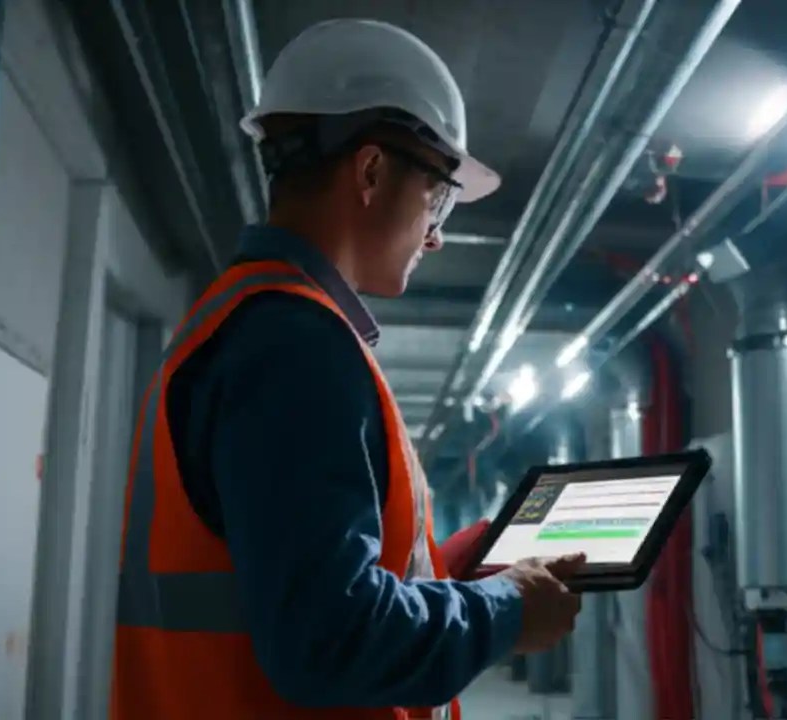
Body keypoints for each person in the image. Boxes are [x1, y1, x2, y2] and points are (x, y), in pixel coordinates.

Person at [110, 18, 583, 720]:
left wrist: (441, 569)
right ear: (370, 172)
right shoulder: (295, 344)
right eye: (440, 194)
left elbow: (286, 580)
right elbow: (329, 640)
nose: (437, 232)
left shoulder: (238, 319)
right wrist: (506, 611)